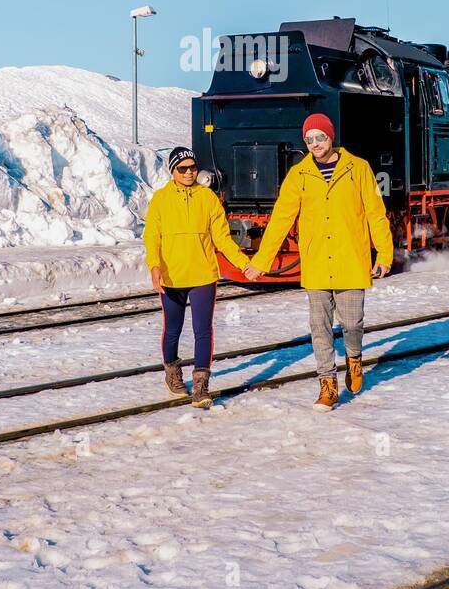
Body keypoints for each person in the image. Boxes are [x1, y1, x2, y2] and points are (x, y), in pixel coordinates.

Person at [248, 113, 393, 411]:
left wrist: (384, 254)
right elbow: (280, 220)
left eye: (320, 137)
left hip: (351, 259)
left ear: (331, 137)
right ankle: (327, 383)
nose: (315, 143)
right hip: (316, 262)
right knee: (319, 327)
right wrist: (262, 260)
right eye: (309, 139)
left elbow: (376, 214)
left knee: (352, 324)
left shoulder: (359, 169)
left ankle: (354, 358)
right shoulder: (298, 174)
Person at [143, 146, 261, 407]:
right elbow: (151, 236)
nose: (188, 173)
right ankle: (172, 374)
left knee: (202, 331)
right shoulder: (161, 200)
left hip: (203, 275)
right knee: (172, 329)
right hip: (172, 276)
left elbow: (222, 239)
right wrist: (154, 265)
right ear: (173, 171)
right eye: (182, 169)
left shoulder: (207, 199)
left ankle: (200, 386)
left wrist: (244, 264)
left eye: (193, 168)